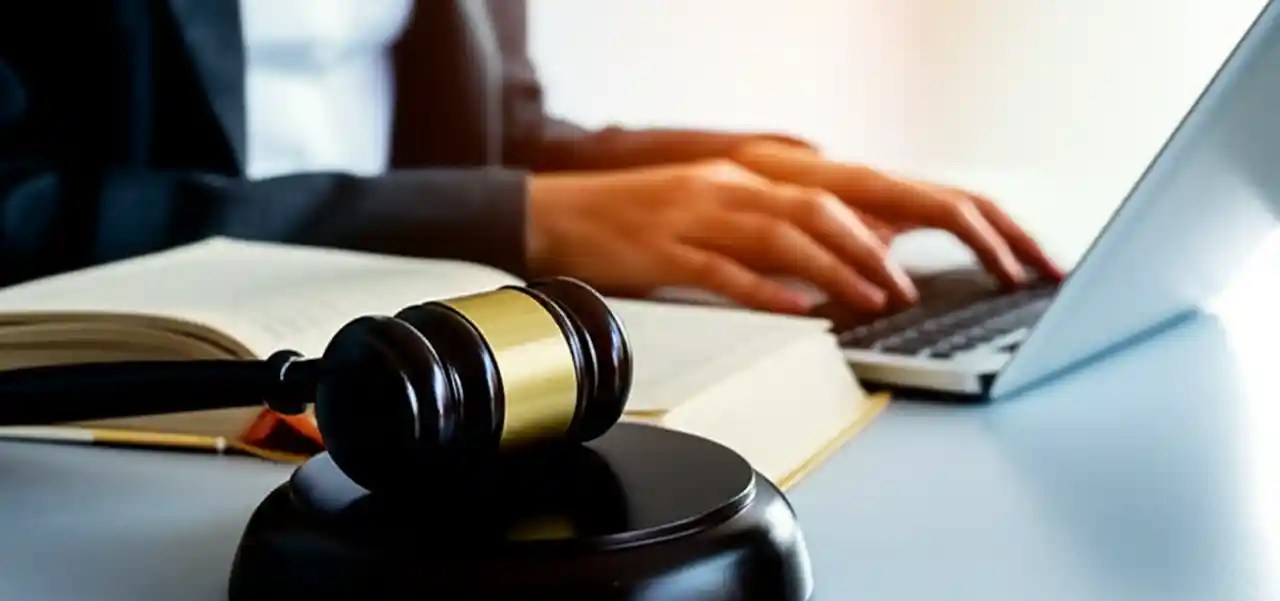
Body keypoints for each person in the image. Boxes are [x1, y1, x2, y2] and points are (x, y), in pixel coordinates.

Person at [0, 1, 1061, 313]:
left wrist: (730, 171)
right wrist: (515, 220)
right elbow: (19, 214)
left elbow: (504, 142)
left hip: (431, 365)